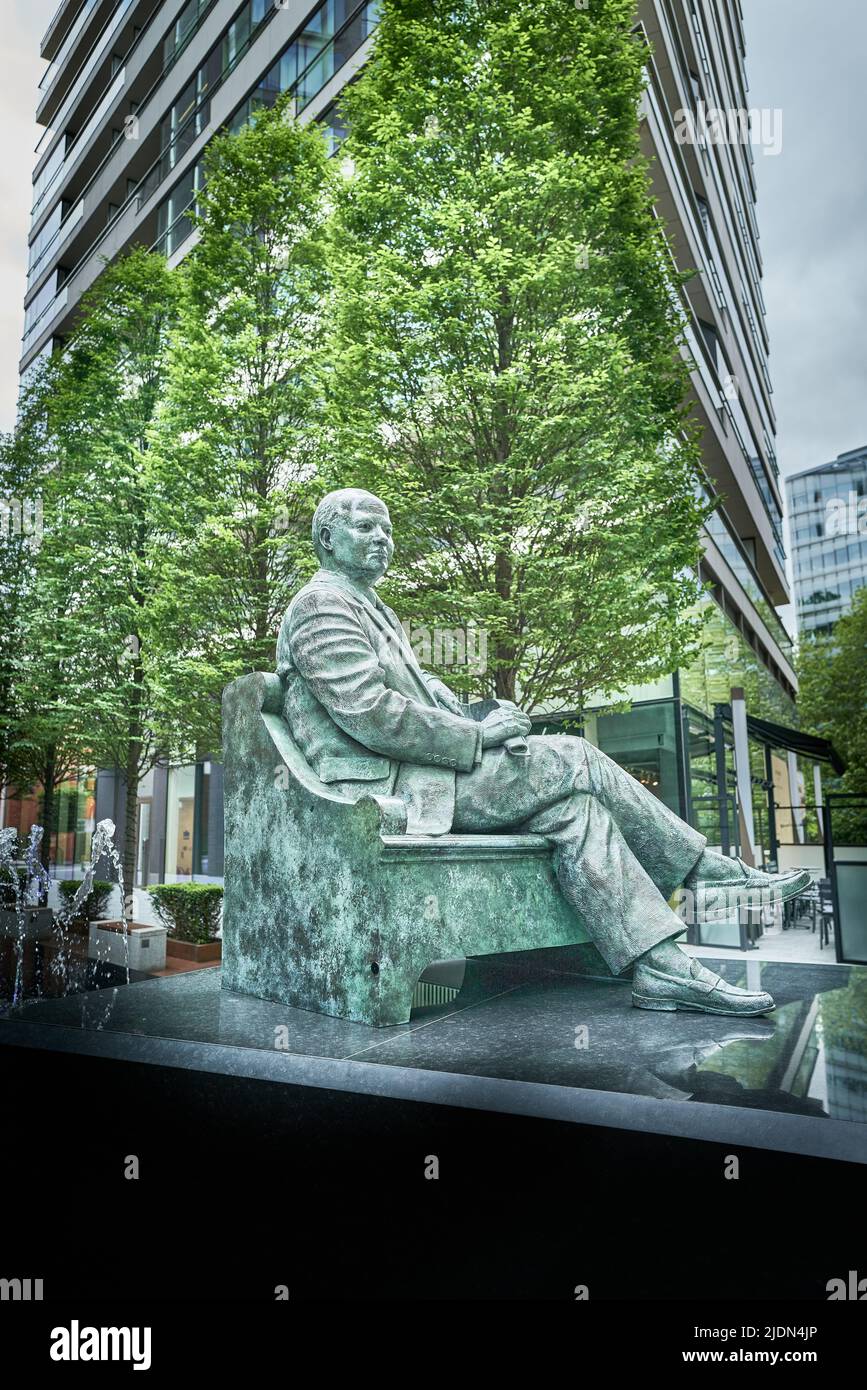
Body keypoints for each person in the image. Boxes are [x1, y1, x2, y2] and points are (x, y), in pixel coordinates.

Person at [276, 489, 810, 1017]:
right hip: (388, 790)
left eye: (386, 529)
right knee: (575, 756)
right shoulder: (320, 605)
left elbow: (418, 690)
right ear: (327, 538)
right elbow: (373, 711)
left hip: (430, 776)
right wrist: (480, 738)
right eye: (366, 527)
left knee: (579, 812)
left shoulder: (374, 609)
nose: (382, 539)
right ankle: (707, 870)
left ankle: (661, 967)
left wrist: (475, 714)